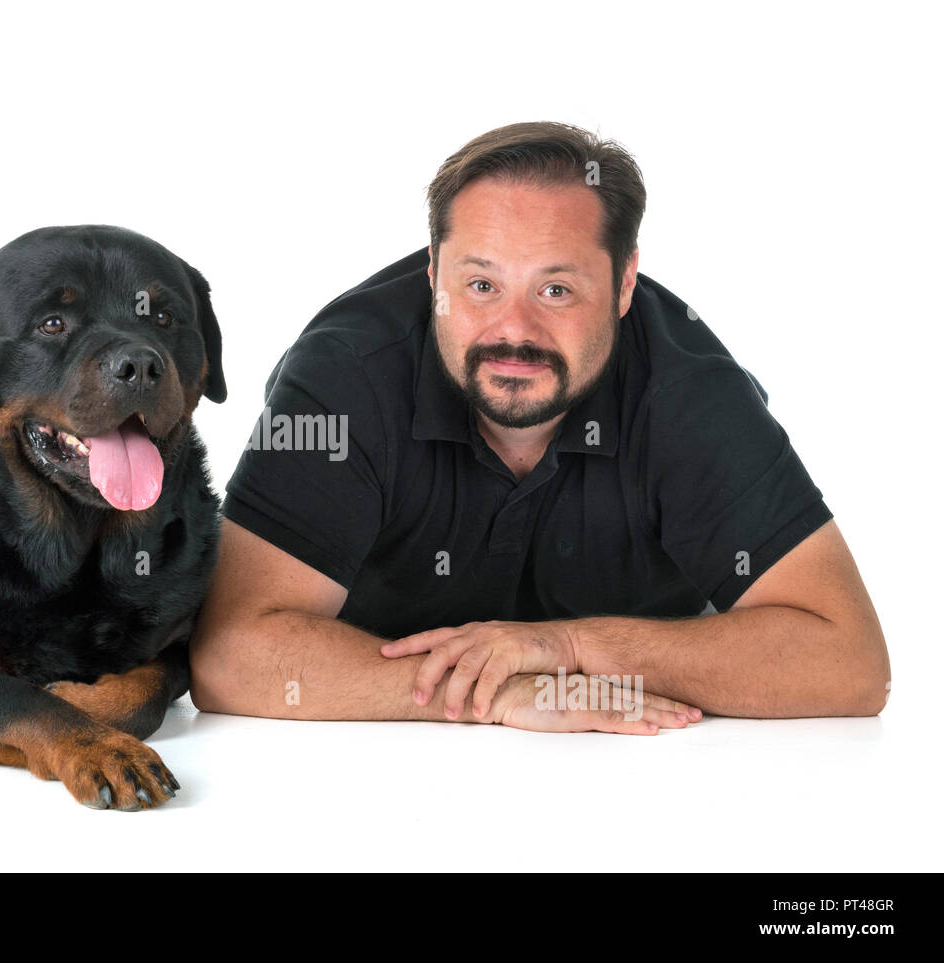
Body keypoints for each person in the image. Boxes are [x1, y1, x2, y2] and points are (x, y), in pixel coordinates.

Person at [191, 121, 889, 733]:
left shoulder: (690, 393)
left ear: (623, 285)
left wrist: (569, 649)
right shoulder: (348, 373)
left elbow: (853, 662)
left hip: (665, 771)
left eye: (556, 289)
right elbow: (229, 657)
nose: (513, 331)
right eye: (481, 284)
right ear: (434, 274)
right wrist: (497, 693)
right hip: (389, 773)